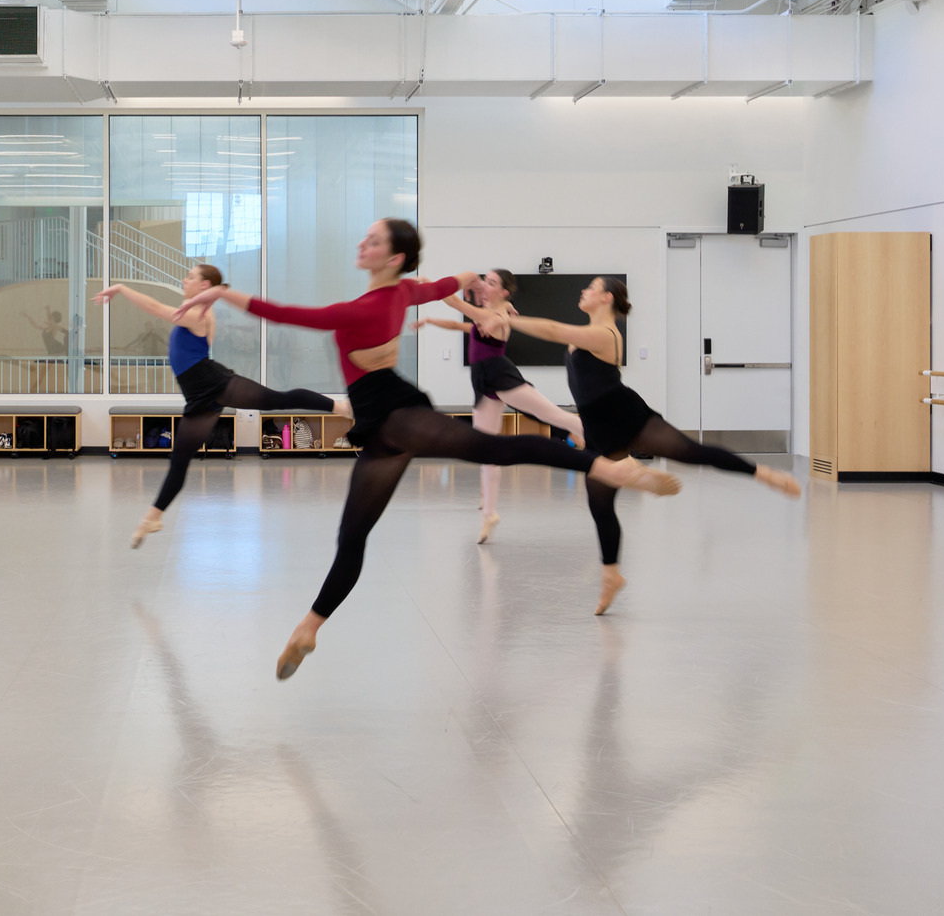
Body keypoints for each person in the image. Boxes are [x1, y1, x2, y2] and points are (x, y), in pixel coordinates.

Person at [173, 220, 681, 681]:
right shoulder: (403, 293)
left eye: (371, 240)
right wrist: (468, 277)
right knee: (353, 534)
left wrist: (221, 292)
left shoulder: (370, 305)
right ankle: (308, 628)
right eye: (364, 236)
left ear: (392, 258)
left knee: (490, 450)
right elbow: (440, 286)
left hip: (397, 415)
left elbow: (284, 313)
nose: (360, 242)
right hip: (379, 426)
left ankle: (610, 468)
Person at [504, 276, 802, 615]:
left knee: (692, 453)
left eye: (590, 287)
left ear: (606, 298)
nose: (583, 291)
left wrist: (510, 321)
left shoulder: (606, 335)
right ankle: (611, 575)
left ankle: (763, 474)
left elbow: (554, 331)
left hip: (626, 414)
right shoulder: (588, 332)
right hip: (599, 425)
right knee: (599, 503)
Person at [94, 266, 350, 549]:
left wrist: (120, 288)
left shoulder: (198, 314)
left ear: (205, 285)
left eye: (190, 277)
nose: (184, 280)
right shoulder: (196, 309)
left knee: (277, 400)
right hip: (199, 397)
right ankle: (152, 517)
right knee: (180, 458)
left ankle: (339, 406)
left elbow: (154, 308)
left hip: (215, 383)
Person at [415, 269, 584, 544]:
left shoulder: (496, 316)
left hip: (500, 375)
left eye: (492, 282)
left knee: (554, 415)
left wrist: (431, 283)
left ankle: (603, 443)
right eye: (486, 280)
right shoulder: (494, 314)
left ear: (504, 292)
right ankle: (489, 514)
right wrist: (432, 320)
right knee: (486, 449)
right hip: (482, 382)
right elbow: (461, 325)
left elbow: (457, 304)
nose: (486, 284)